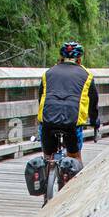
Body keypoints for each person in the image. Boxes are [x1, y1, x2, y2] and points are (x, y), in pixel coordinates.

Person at [37, 41, 100, 173]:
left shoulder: (48, 73)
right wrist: (94, 121)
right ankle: (77, 186)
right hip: (72, 122)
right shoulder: (87, 76)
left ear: (60, 58)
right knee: (75, 156)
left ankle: (47, 177)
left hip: (48, 120)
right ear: (79, 60)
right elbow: (93, 102)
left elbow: (41, 98)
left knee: (48, 156)